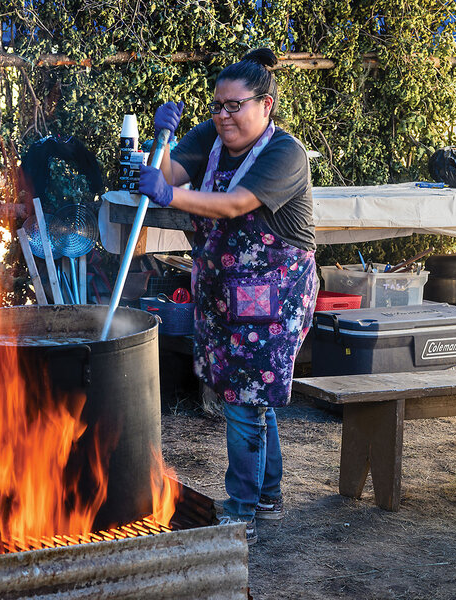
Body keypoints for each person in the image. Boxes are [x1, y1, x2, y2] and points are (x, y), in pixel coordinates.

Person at [138, 47, 318, 545]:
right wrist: (159, 141)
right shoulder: (209, 138)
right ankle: (269, 497)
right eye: (217, 105)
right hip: (223, 289)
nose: (223, 116)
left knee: (243, 401)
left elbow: (235, 204)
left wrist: (171, 195)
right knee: (251, 399)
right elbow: (167, 173)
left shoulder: (286, 154)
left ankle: (241, 514)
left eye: (235, 106)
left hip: (276, 295)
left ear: (267, 104)